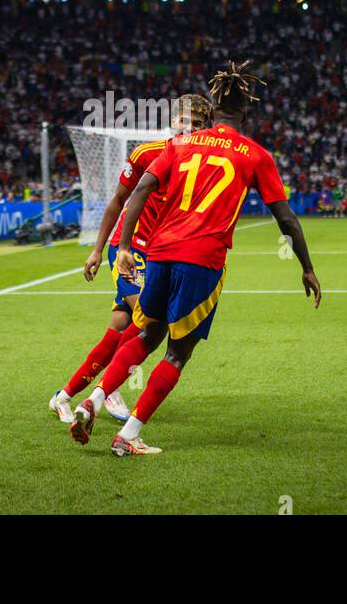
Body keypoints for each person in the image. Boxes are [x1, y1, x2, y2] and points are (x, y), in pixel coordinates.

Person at [69, 62, 321, 456]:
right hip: (201, 260)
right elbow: (285, 217)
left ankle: (92, 401)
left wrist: (123, 248)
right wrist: (306, 266)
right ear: (245, 112)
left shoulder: (178, 145)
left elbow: (137, 192)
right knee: (177, 351)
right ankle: (129, 435)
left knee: (146, 333)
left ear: (214, 106)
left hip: (159, 252)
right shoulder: (255, 155)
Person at [48, 93, 212, 425]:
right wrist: (98, 249)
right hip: (128, 249)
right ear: (172, 120)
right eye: (183, 120)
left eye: (197, 123)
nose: (189, 127)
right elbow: (118, 200)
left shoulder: (206, 162)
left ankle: (64, 395)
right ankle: (109, 387)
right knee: (148, 323)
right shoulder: (148, 154)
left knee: (119, 328)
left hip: (158, 255)